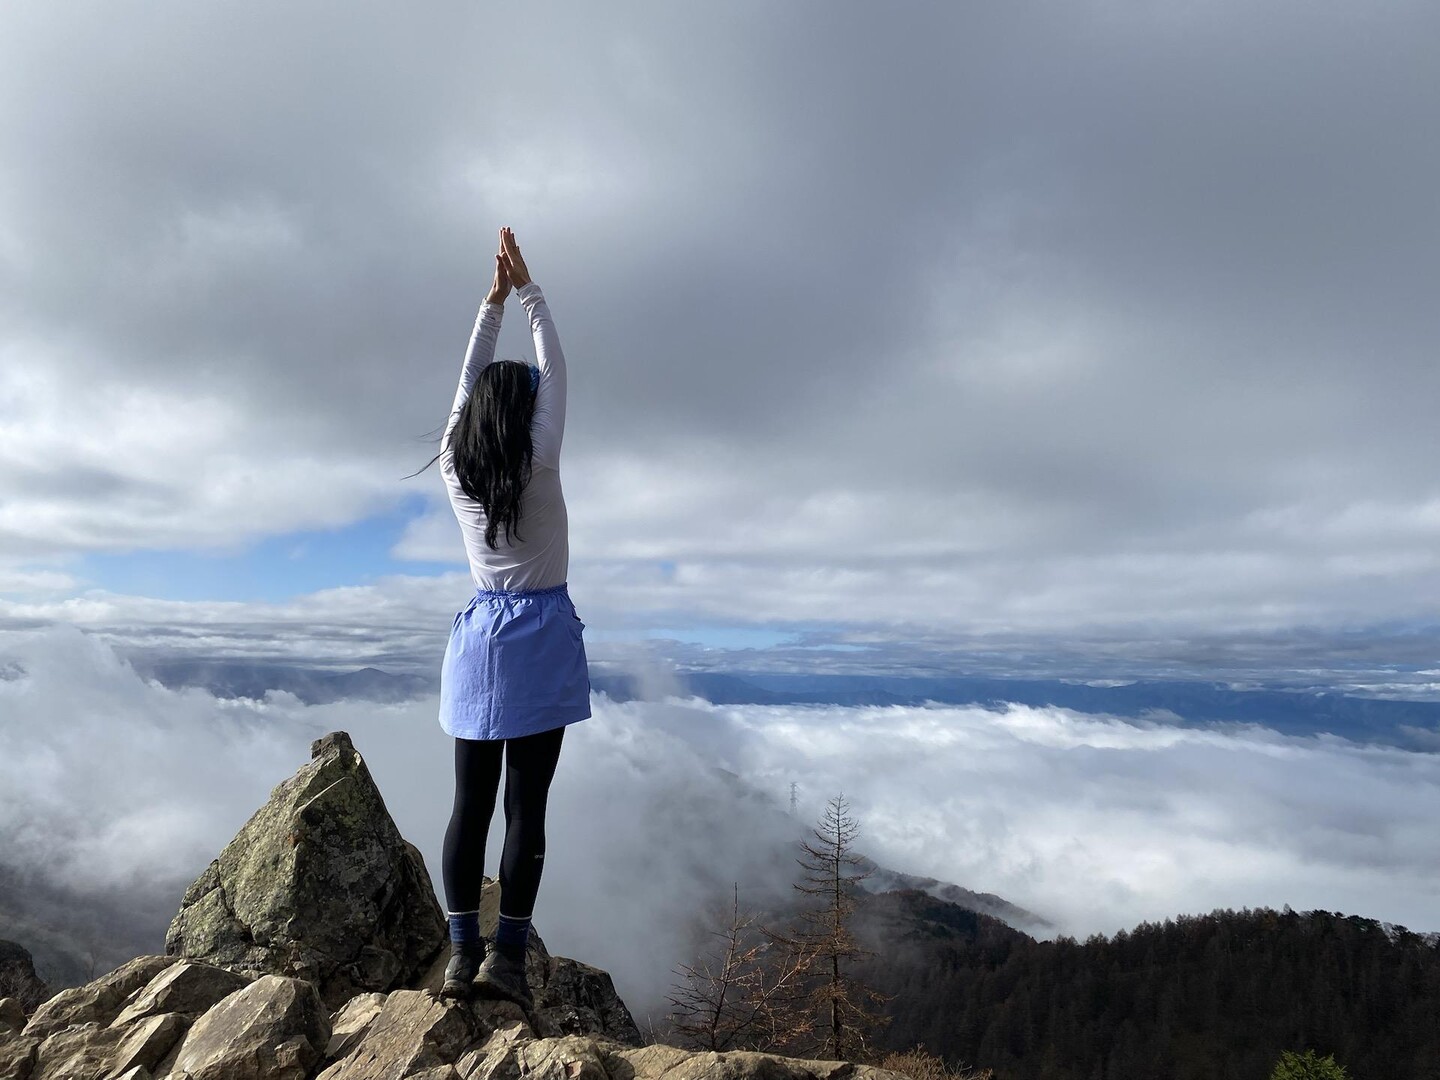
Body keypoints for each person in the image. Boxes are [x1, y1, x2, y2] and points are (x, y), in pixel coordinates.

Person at [424, 226, 591, 1006]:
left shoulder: (459, 466)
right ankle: (509, 963)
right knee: (529, 808)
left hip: (477, 641)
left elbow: (465, 389)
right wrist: (529, 292)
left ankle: (461, 955)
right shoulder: (542, 460)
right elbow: (557, 368)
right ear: (525, 413)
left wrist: (488, 305)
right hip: (542, 640)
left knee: (469, 803)